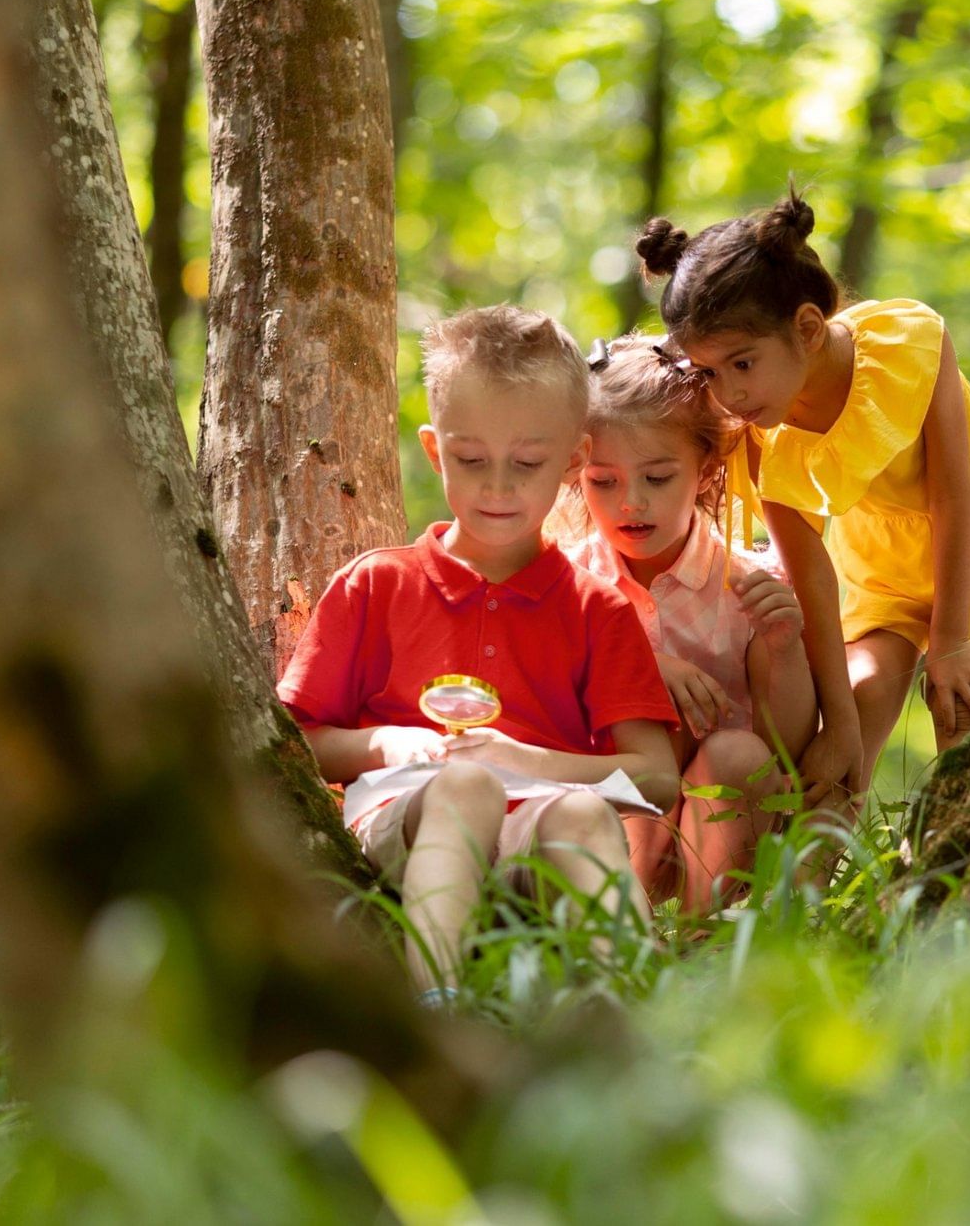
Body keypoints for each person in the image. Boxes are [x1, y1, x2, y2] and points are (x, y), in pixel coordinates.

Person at [277, 305, 679, 1004]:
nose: (498, 486)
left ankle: (648, 1023)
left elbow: (657, 777)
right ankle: (441, 1010)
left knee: (584, 815)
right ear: (435, 451)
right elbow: (294, 744)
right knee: (468, 788)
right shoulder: (377, 583)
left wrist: (526, 762)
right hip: (414, 809)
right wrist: (386, 743)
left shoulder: (596, 608)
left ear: (574, 461)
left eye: (526, 464)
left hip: (538, 820)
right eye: (471, 460)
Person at [634, 189, 970, 808]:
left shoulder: (908, 345)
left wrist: (952, 638)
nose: (728, 394)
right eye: (710, 373)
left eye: (742, 364)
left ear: (805, 328)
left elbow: (953, 496)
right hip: (878, 557)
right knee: (856, 712)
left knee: (961, 713)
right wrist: (843, 731)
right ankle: (805, 898)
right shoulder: (756, 436)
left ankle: (960, 885)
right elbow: (811, 577)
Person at [565, 334, 817, 910]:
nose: (631, 502)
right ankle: (626, 930)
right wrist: (642, 670)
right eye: (604, 481)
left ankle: (706, 940)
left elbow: (789, 743)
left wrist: (784, 648)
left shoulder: (745, 583)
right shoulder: (568, 584)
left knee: (737, 753)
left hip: (727, 825)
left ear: (704, 472)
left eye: (657, 478)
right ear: (578, 471)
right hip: (617, 830)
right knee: (636, 730)